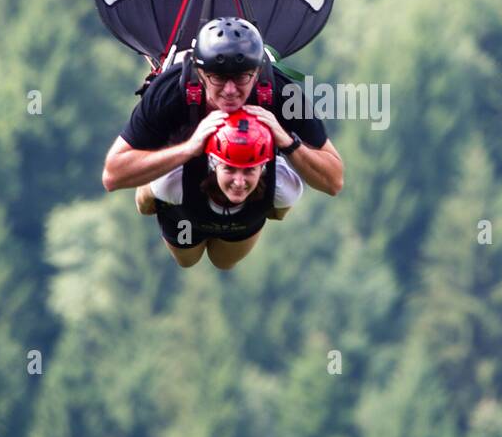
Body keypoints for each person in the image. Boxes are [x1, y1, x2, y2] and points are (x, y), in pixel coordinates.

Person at [101, 17, 343, 199]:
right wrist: (188, 149)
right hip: (182, 161)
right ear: (201, 73)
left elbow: (334, 181)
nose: (229, 90)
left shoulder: (279, 91)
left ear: (258, 72)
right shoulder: (171, 90)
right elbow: (112, 176)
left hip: (245, 182)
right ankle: (152, 188)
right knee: (156, 201)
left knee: (282, 199)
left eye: (241, 78)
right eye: (218, 78)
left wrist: (288, 142)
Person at [135, 110, 303, 269]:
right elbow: (144, 204)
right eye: (230, 169)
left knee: (223, 262)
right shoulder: (175, 178)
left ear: (263, 168)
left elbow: (277, 213)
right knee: (188, 261)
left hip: (238, 225)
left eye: (249, 170)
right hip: (184, 220)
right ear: (214, 165)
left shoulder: (283, 185)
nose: (239, 182)